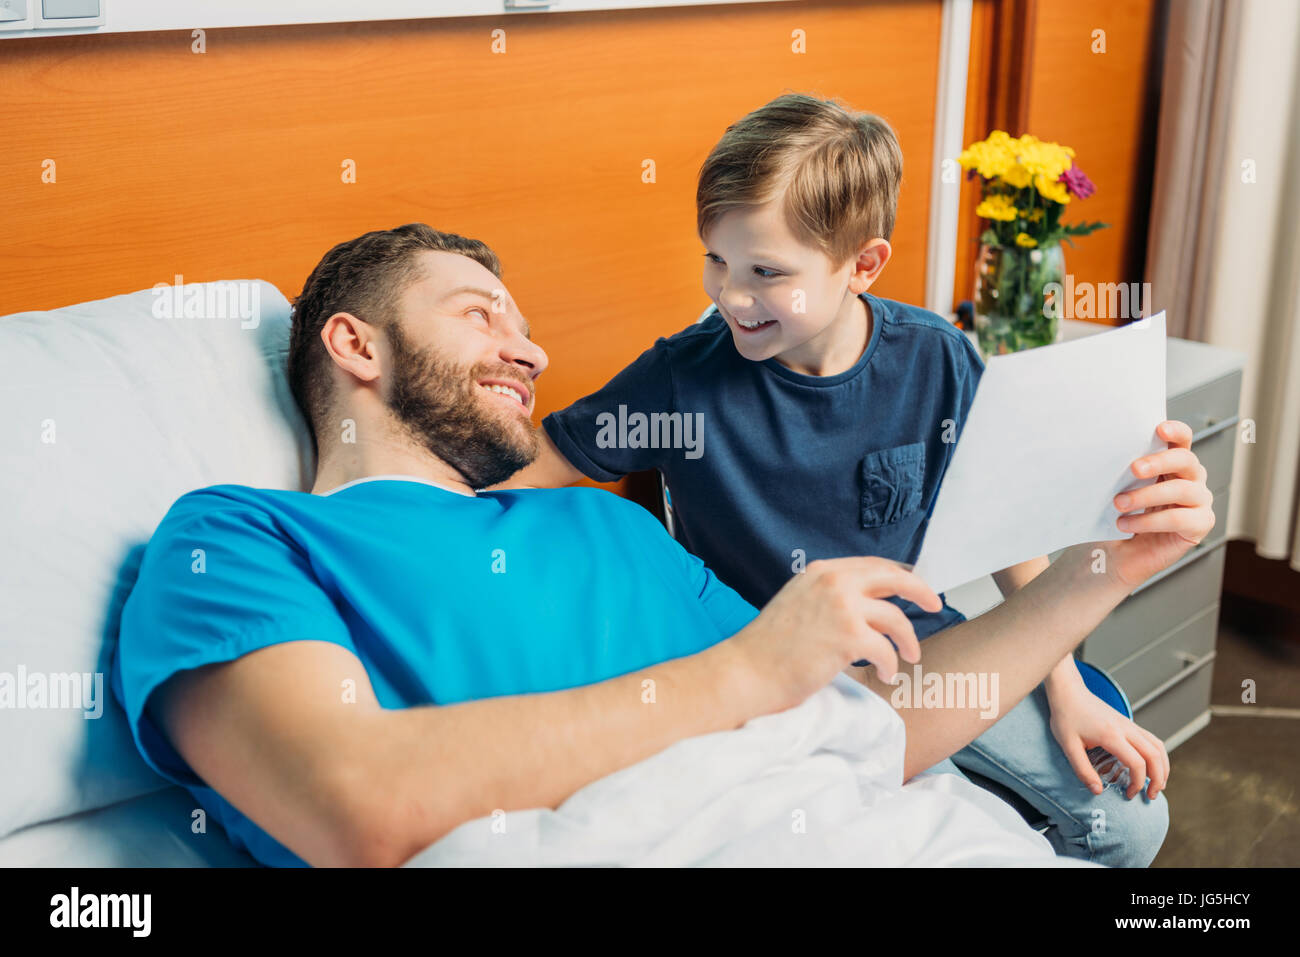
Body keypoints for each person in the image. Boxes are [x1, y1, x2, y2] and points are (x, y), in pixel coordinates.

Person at [112, 223, 1214, 868]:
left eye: (522, 323)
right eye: (479, 315)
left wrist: (1097, 570)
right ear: (356, 344)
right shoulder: (235, 537)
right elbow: (347, 798)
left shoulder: (599, 521)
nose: (529, 347)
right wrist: (743, 670)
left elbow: (870, 732)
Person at [500, 93, 1177, 866]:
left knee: (1130, 826)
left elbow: (1008, 532)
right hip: (780, 679)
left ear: (863, 265)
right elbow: (536, 465)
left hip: (929, 662)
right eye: (716, 259)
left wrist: (1066, 685)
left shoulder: (935, 360)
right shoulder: (682, 377)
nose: (729, 295)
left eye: (765, 272)